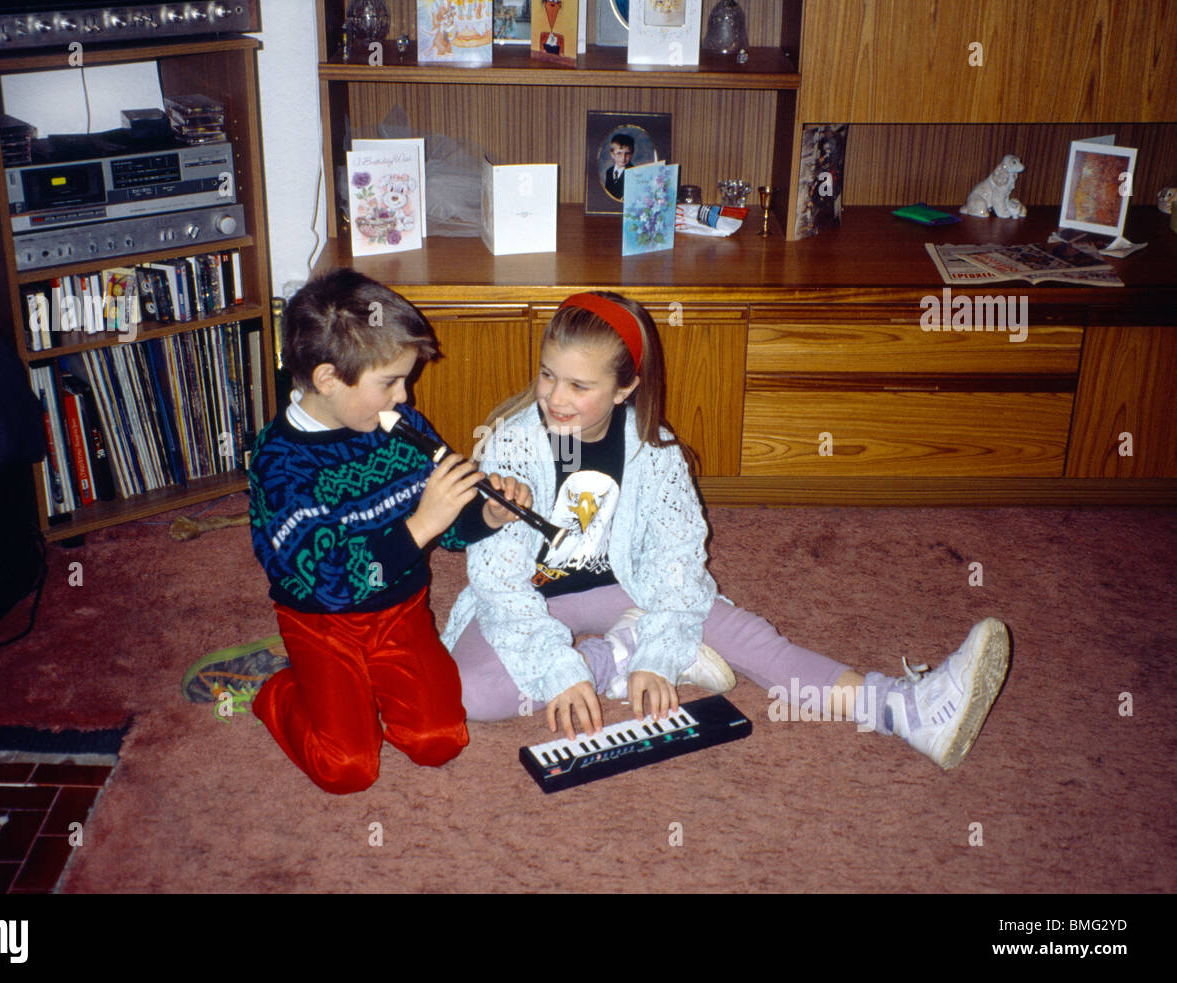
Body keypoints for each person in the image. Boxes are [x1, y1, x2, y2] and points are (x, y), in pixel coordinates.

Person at [441, 291, 1010, 770]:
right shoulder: (515, 445)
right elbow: (499, 582)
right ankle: (612, 658)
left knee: (755, 641)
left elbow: (678, 560)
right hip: (538, 601)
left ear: (623, 389)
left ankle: (904, 708)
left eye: (579, 386)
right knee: (468, 693)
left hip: (636, 590)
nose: (556, 398)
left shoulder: (653, 451)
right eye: (547, 375)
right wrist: (563, 669)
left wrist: (661, 650)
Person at [195, 268, 532, 794]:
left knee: (440, 740)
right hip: (322, 621)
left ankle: (360, 685)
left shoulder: (402, 428)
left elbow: (447, 532)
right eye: (390, 382)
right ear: (328, 379)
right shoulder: (280, 463)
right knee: (347, 769)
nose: (405, 396)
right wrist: (421, 524)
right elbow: (326, 578)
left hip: (400, 610)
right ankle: (277, 689)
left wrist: (484, 516)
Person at [603, 133, 635, 200]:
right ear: (612, 154)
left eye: (627, 154)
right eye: (619, 153)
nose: (623, 158)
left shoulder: (634, 172)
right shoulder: (609, 171)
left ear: (632, 154)